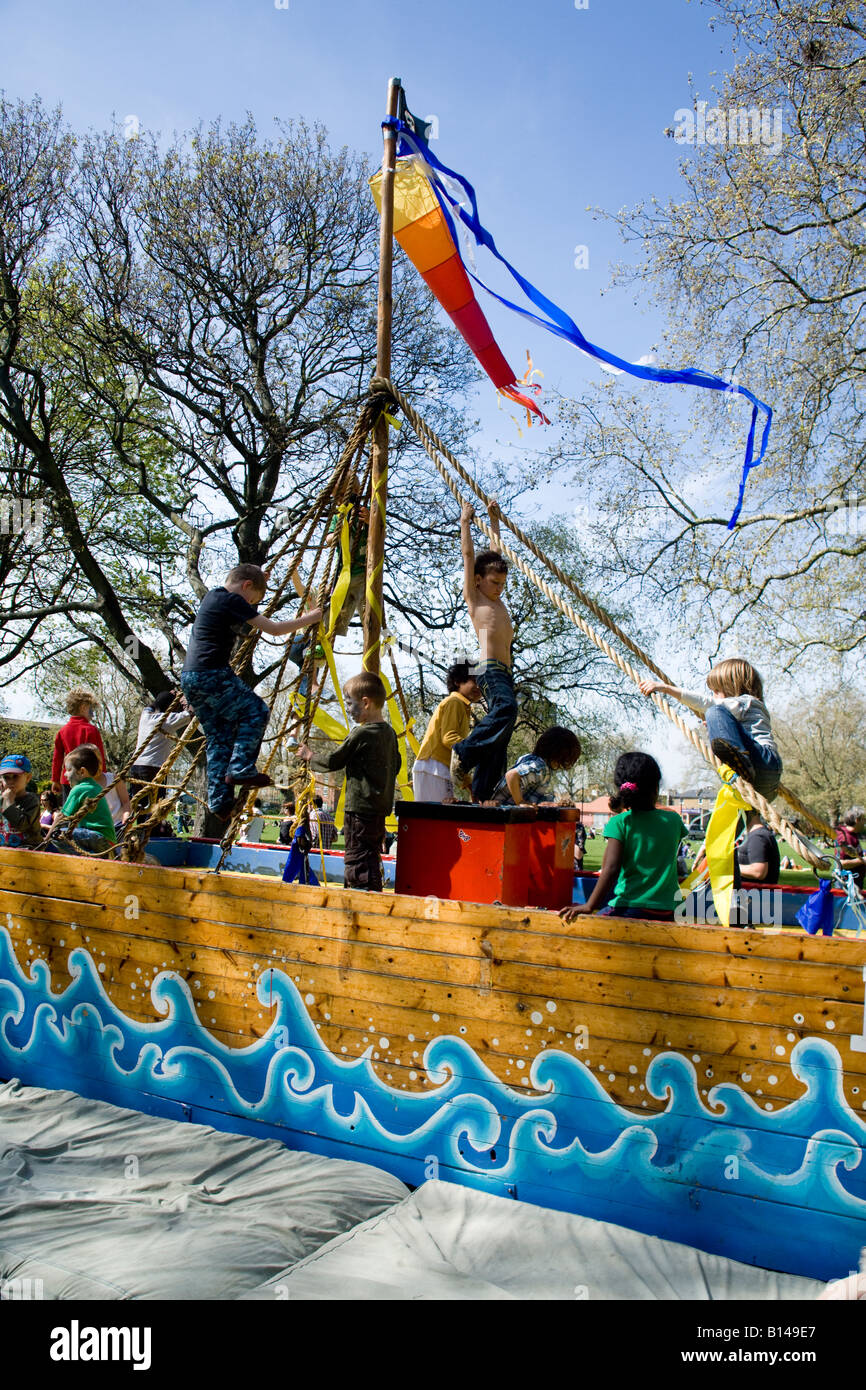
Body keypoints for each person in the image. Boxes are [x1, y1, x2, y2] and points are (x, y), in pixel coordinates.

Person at [180, 564, 321, 819]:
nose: (250, 604)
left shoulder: (215, 596)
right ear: (245, 586)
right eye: (253, 599)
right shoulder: (232, 598)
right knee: (256, 710)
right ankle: (241, 768)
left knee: (219, 736)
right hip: (212, 673)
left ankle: (221, 801)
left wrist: (259, 580)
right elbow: (275, 629)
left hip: (190, 678)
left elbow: (246, 599)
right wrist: (312, 617)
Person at [297, 671, 400, 892]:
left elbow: (335, 760)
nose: (348, 709)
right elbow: (397, 764)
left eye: (350, 704)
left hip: (360, 808)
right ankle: (370, 893)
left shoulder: (361, 734)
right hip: (379, 809)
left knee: (356, 858)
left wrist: (309, 756)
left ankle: (359, 897)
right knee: (370, 854)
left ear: (365, 703)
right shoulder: (389, 733)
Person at [559, 752, 687, 923]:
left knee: (587, 928)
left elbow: (611, 869)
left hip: (629, 907)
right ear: (656, 788)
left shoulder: (620, 823)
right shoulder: (674, 821)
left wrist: (589, 905)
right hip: (670, 910)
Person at [450, 503, 518, 802]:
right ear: (478, 580)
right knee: (507, 710)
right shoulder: (476, 599)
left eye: (503, 583)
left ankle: (480, 793)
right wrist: (465, 522)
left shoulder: (497, 599)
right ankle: (463, 752)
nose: (499, 588)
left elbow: (495, 555)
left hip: (506, 673)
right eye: (494, 582)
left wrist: (493, 520)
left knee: (500, 738)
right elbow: (469, 557)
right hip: (489, 669)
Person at [639, 658, 782, 797]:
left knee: (714, 711)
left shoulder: (746, 702)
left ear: (730, 687)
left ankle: (740, 764)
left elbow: (708, 703)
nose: (713, 695)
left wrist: (666, 688)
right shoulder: (747, 709)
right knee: (744, 815)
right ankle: (753, 818)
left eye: (716, 691)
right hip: (766, 782)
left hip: (763, 760)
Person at [412, 662, 483, 802]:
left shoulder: (462, 706)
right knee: (434, 819)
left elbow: (454, 749)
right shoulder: (455, 702)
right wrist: (476, 749)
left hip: (436, 768)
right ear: (457, 681)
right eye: (474, 681)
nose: (478, 687)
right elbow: (449, 737)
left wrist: (468, 783)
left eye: (481, 683)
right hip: (433, 767)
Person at [46, 746, 117, 855]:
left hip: (96, 837)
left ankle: (83, 859)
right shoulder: (96, 787)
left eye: (69, 770)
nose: (65, 774)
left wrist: (47, 838)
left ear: (82, 772)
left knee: (57, 836)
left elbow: (61, 817)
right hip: (109, 841)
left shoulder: (79, 789)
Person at [489, 727, 582, 806]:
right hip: (505, 813)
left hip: (498, 806)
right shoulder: (541, 768)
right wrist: (520, 802)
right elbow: (511, 775)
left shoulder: (529, 758)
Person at [130, 691, 192, 797]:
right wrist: (185, 700)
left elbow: (151, 706)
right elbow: (191, 714)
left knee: (137, 804)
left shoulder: (145, 715)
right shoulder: (167, 720)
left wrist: (169, 695)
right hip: (153, 768)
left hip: (136, 765)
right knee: (155, 806)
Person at [51, 689, 105, 798]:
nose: (92, 714)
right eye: (91, 709)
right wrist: (103, 776)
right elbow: (99, 757)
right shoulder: (91, 730)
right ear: (83, 707)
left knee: (70, 811)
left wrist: (55, 780)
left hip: (68, 780)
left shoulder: (62, 731)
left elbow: (57, 759)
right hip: (89, 780)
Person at [0, 753, 43, 849]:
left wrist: (8, 803)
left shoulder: (31, 801)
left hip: (29, 850)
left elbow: (22, 825)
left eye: (15, 776)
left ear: (28, 778)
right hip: (5, 849)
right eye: (6, 777)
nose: (10, 781)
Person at [737, 808, 781, 883]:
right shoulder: (756, 834)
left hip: (758, 894)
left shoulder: (757, 836)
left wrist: (729, 868)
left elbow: (758, 872)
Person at [837, 806, 866, 888]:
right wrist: (863, 860)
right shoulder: (845, 837)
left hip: (855, 881)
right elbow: (841, 864)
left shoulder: (852, 834)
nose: (865, 822)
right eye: (863, 819)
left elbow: (853, 854)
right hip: (848, 884)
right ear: (857, 820)